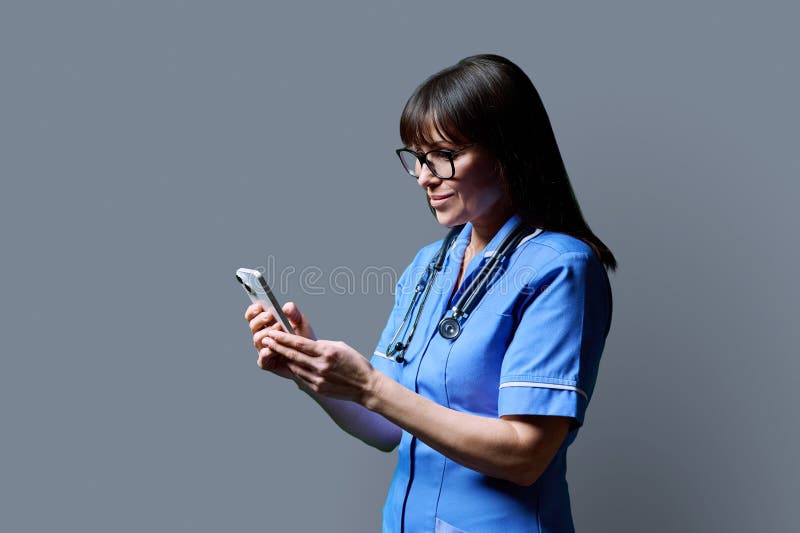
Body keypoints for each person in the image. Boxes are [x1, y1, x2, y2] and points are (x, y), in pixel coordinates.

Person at [244, 54, 616, 533]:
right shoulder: (429, 265)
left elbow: (526, 455)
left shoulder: (560, 268)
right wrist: (311, 368)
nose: (424, 176)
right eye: (418, 158)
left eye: (443, 155)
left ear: (508, 150)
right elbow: (386, 427)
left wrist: (369, 386)